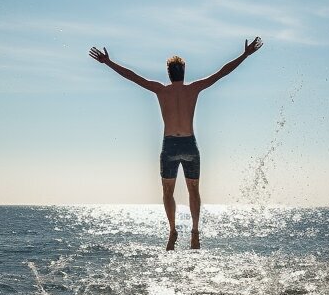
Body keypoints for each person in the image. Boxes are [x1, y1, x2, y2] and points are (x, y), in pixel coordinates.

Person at [89, 37, 263, 249]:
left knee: (167, 192)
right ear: (184, 71)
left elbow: (132, 77)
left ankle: (172, 231)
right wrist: (245, 55)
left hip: (170, 145)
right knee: (194, 190)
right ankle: (195, 231)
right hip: (190, 144)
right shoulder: (194, 88)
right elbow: (222, 72)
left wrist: (108, 62)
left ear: (168, 73)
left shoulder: (161, 90)